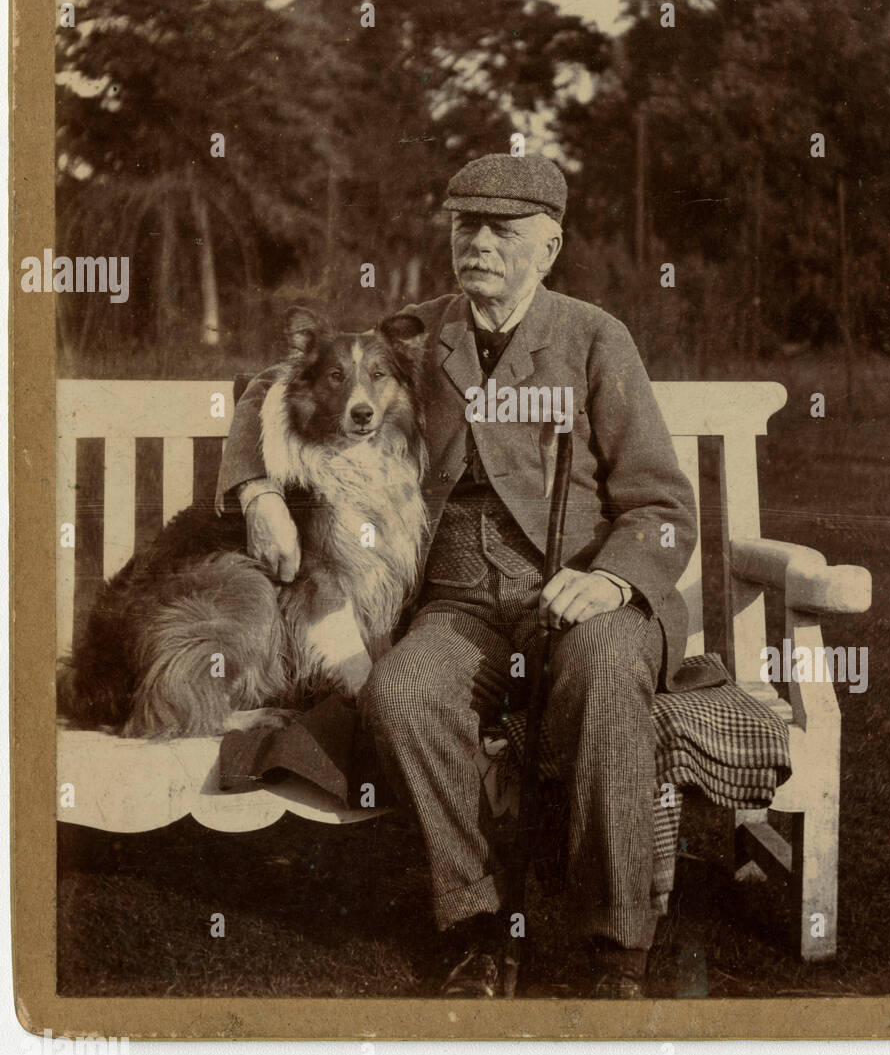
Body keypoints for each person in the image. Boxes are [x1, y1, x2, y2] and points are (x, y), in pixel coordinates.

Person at [216, 154, 698, 997]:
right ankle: (474, 925)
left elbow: (661, 506)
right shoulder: (420, 332)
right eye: (463, 226)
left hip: (582, 591)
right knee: (400, 695)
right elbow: (271, 381)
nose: (476, 243)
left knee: (608, 668)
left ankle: (615, 948)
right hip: (457, 602)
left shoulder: (593, 338)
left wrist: (614, 582)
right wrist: (256, 491)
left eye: (501, 231)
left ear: (547, 247)